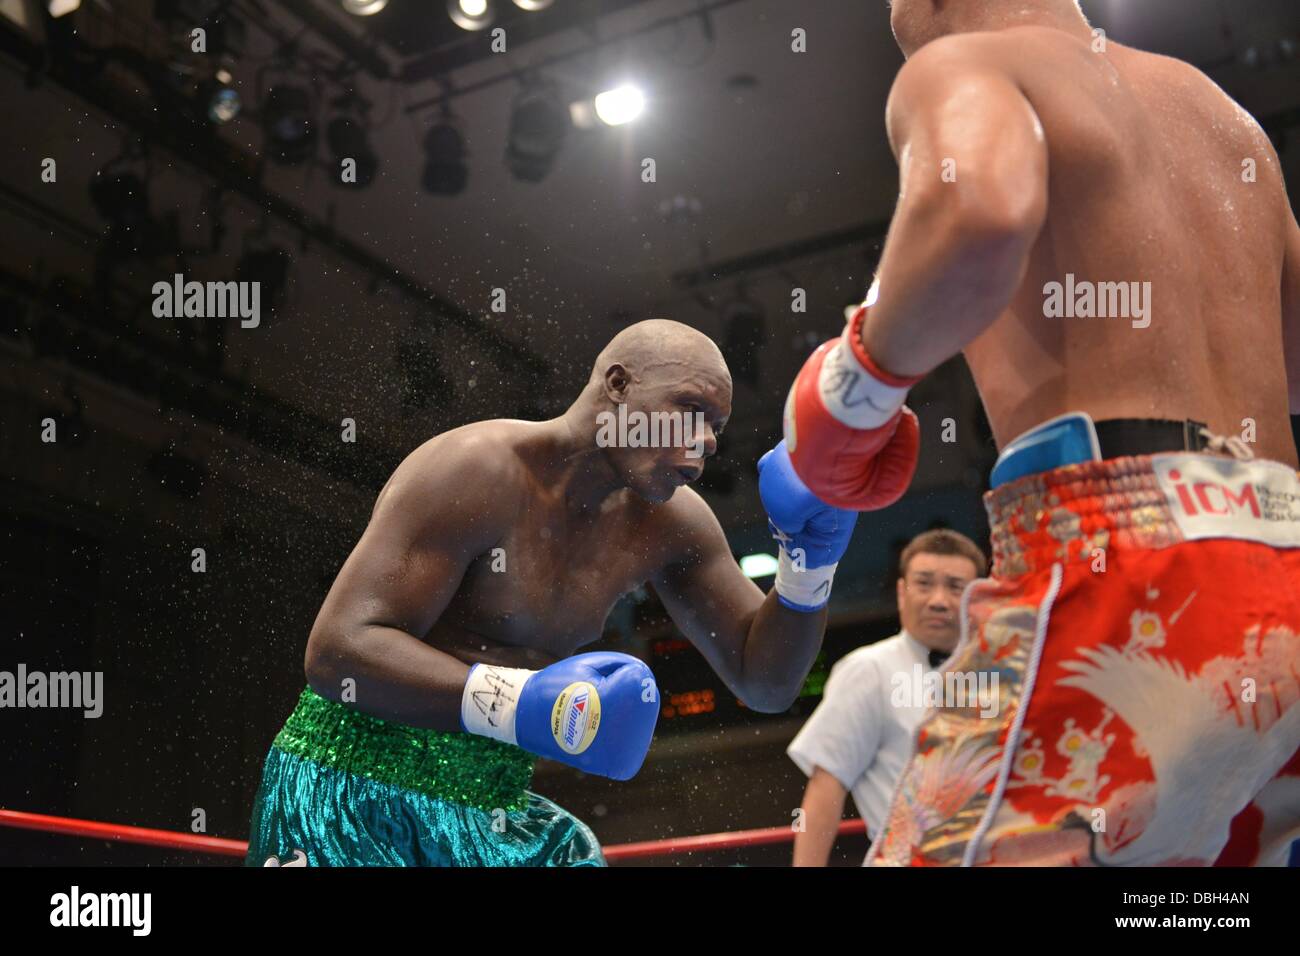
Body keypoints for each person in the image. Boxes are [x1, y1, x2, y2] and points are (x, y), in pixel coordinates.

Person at [780, 0, 1300, 865]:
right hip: (1283, 554)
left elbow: (979, 210)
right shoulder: (1218, 113)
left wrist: (857, 387)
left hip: (1119, 565)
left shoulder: (963, 66)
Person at [246, 319, 892, 866]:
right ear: (616, 384)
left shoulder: (671, 521)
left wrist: (807, 565)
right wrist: (521, 701)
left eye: (716, 428)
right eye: (689, 410)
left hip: (490, 803)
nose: (703, 444)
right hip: (350, 783)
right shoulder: (477, 469)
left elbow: (766, 682)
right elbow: (338, 652)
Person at [788, 530, 985, 866]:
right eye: (924, 583)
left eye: (955, 587)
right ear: (901, 592)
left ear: (978, 599)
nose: (939, 600)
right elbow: (827, 786)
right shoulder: (870, 670)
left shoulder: (1007, 669)